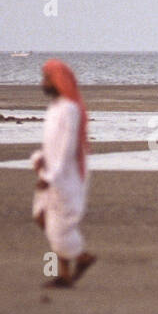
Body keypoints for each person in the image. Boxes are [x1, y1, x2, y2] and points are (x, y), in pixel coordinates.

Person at [31, 59, 96, 287]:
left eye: (47, 78)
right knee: (45, 217)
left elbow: (67, 146)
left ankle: (77, 262)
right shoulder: (56, 106)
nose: (44, 83)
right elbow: (52, 143)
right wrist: (41, 159)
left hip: (66, 174)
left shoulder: (69, 109)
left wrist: (51, 177)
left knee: (59, 222)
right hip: (52, 170)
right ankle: (74, 264)